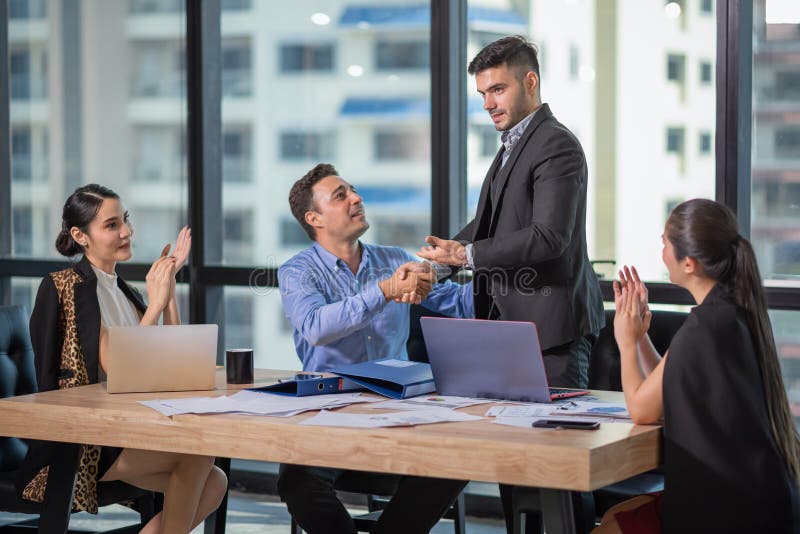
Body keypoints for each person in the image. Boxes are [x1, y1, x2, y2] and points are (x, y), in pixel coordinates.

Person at [417, 35, 604, 532]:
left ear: (530, 81)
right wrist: (438, 265)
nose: (488, 104)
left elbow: (549, 237)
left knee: (557, 474)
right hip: (510, 332)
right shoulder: (512, 147)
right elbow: (488, 227)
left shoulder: (556, 145)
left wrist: (466, 256)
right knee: (515, 468)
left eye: (497, 90)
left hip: (553, 333)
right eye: (482, 94)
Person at [18, 184, 227, 534]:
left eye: (125, 220)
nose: (126, 231)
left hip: (131, 427)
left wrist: (169, 293)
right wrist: (155, 305)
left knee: (215, 480)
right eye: (112, 225)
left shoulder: (123, 291)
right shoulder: (66, 286)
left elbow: (173, 357)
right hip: (90, 440)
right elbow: (120, 368)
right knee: (199, 456)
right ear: (80, 236)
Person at [277, 163, 473, 534]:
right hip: (330, 411)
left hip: (396, 412)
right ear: (314, 218)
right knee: (296, 482)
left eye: (353, 190)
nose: (356, 198)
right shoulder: (297, 271)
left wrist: (488, 267)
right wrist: (384, 291)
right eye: (341, 195)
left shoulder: (394, 260)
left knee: (459, 459)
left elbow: (459, 304)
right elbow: (316, 326)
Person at [593, 199, 800, 533]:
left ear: (688, 263)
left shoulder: (704, 327)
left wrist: (627, 342)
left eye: (664, 244)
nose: (661, 253)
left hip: (727, 511)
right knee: (618, 513)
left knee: (609, 526)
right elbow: (669, 381)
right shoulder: (728, 314)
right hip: (759, 497)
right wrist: (641, 336)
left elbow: (642, 410)